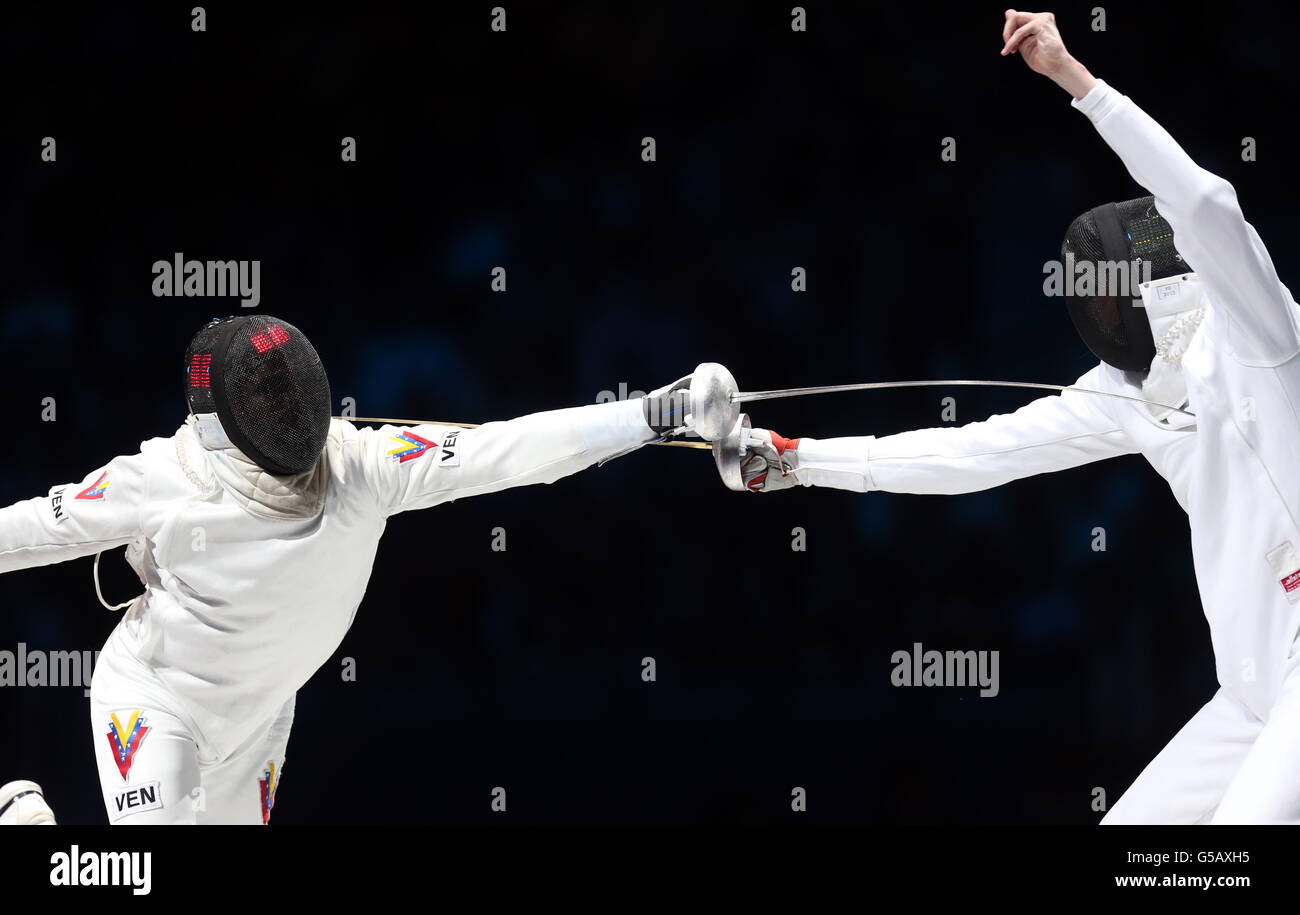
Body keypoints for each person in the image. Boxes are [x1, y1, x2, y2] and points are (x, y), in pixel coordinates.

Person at [742, 10, 1300, 824]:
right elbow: (974, 454)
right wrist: (797, 460)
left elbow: (1209, 203)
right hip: (1251, 692)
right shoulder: (1122, 391)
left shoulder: (1262, 332)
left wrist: (1078, 81)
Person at [0, 314, 692, 824]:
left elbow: (506, 452)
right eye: (266, 396)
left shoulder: (362, 465)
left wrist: (652, 415)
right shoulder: (160, 481)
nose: (288, 408)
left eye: (286, 389)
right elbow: (30, 529)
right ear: (222, 423)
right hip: (154, 703)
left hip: (261, 718)